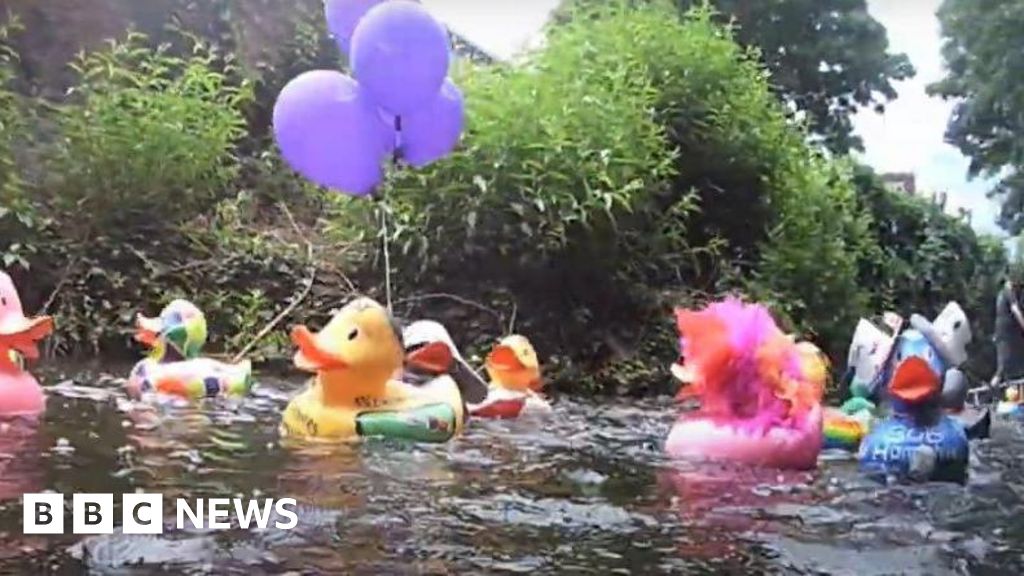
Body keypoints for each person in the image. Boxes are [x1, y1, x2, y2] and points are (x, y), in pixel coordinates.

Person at [993, 270, 1024, 388]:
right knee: (1002, 369)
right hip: (1006, 336)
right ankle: (986, 397)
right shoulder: (1008, 291)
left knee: (1010, 368)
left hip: (1005, 335)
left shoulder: (1001, 294)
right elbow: (1015, 310)